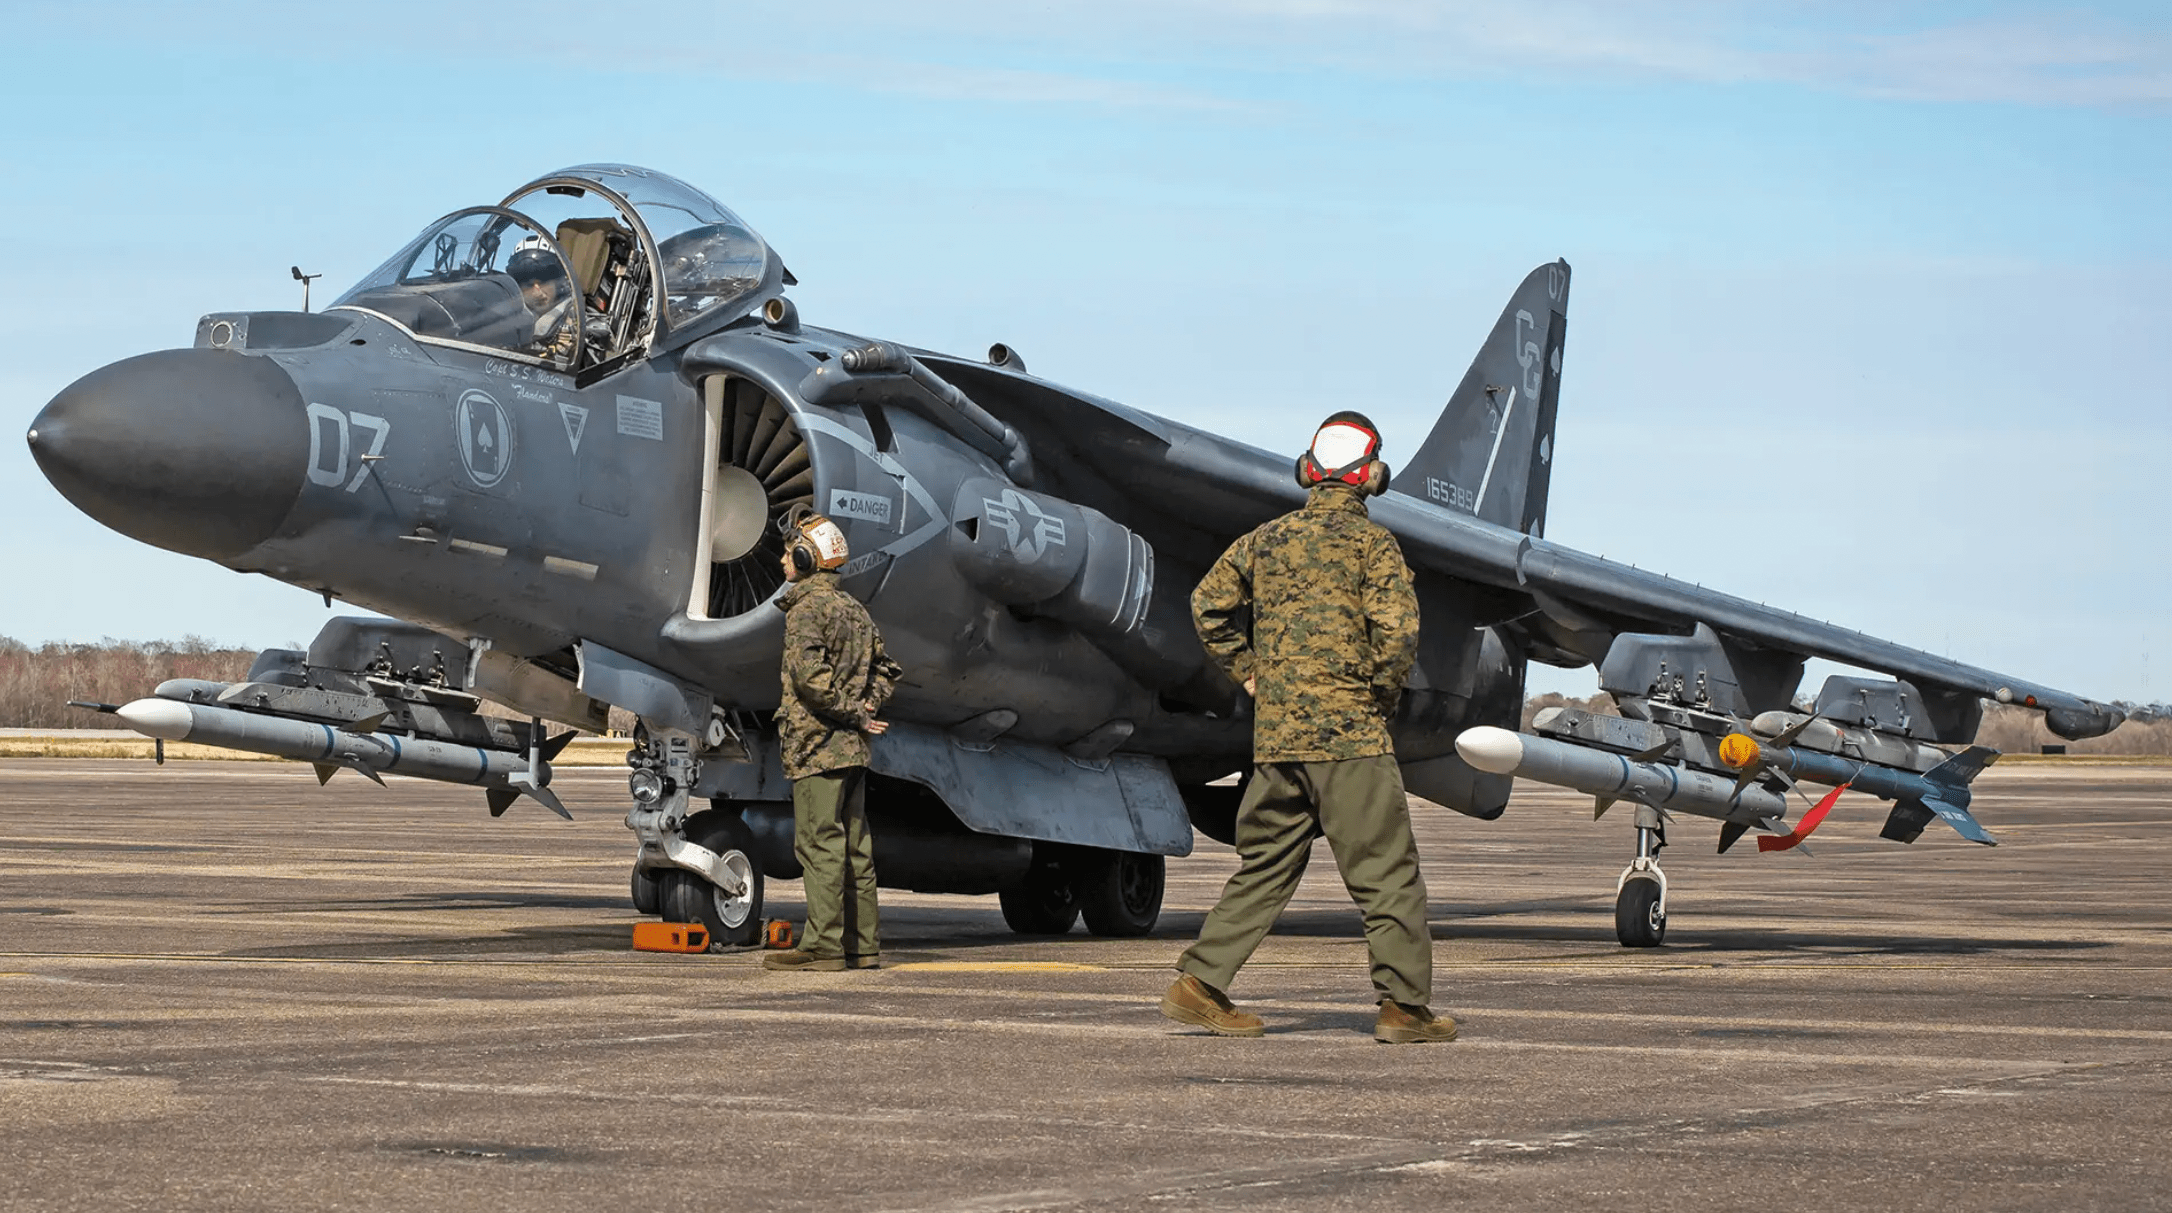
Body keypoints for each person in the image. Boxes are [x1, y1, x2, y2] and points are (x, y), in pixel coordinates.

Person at [1160, 411, 1456, 1043]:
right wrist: (1375, 697)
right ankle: (1405, 1009)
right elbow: (1400, 632)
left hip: (1277, 741)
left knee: (1265, 865)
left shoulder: (1264, 540)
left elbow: (1207, 604)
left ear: (1308, 472)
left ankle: (1200, 984)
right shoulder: (1373, 547)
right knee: (1385, 872)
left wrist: (1248, 670)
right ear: (1372, 477)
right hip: (1349, 739)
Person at [764, 512, 903, 972]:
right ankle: (863, 947)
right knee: (855, 849)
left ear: (806, 559)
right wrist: (866, 708)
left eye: (790, 553)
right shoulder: (855, 611)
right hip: (852, 753)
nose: (784, 560)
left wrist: (853, 713)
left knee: (819, 845)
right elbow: (887, 671)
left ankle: (823, 946)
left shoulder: (806, 610)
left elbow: (810, 680)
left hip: (817, 748)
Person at [506, 245, 577, 361]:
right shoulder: (505, 322)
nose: (537, 292)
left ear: (558, 282)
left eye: (544, 281)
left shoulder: (576, 317)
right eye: (529, 284)